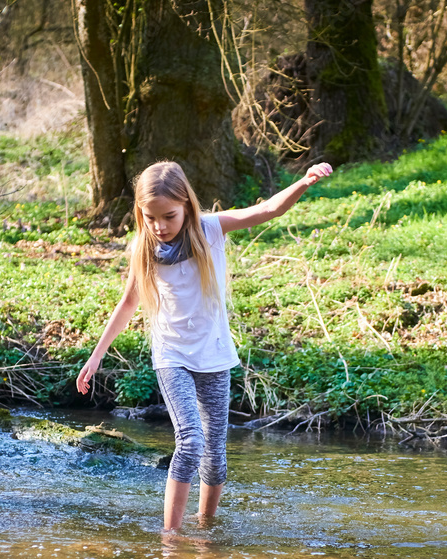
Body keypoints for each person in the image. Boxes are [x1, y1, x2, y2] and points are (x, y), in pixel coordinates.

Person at [76, 160, 334, 531]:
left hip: (212, 353)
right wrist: (96, 355)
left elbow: (267, 209)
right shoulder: (144, 246)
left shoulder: (211, 229)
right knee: (190, 440)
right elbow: (129, 302)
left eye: (168, 216)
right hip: (172, 354)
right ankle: (170, 537)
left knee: (214, 455)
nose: (159, 226)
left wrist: (305, 182)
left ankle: (206, 530)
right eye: (150, 218)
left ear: (187, 206)